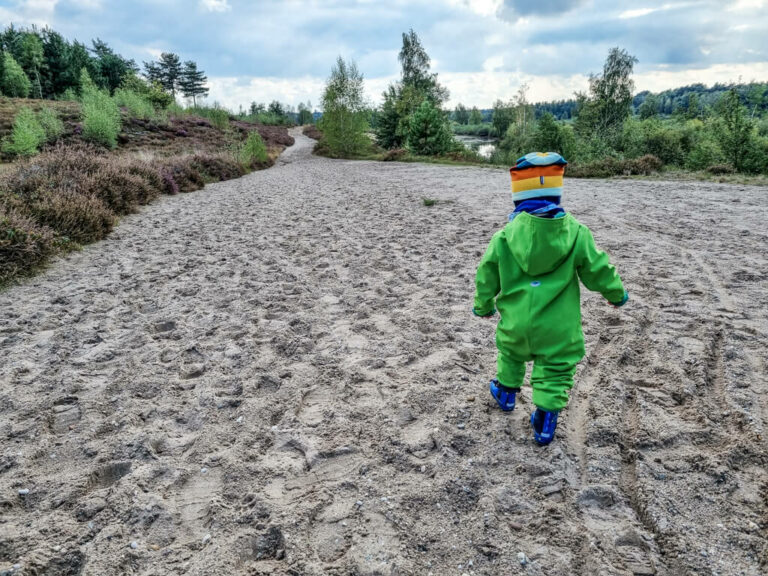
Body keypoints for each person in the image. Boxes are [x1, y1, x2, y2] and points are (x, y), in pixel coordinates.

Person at [473, 152, 628, 445]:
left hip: (516, 322)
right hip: (558, 328)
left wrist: (483, 306)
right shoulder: (577, 234)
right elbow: (599, 269)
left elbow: (486, 275)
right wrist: (616, 295)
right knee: (555, 369)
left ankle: (505, 396)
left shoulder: (504, 237)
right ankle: (544, 423)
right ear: (556, 196)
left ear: (518, 199)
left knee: (511, 354)